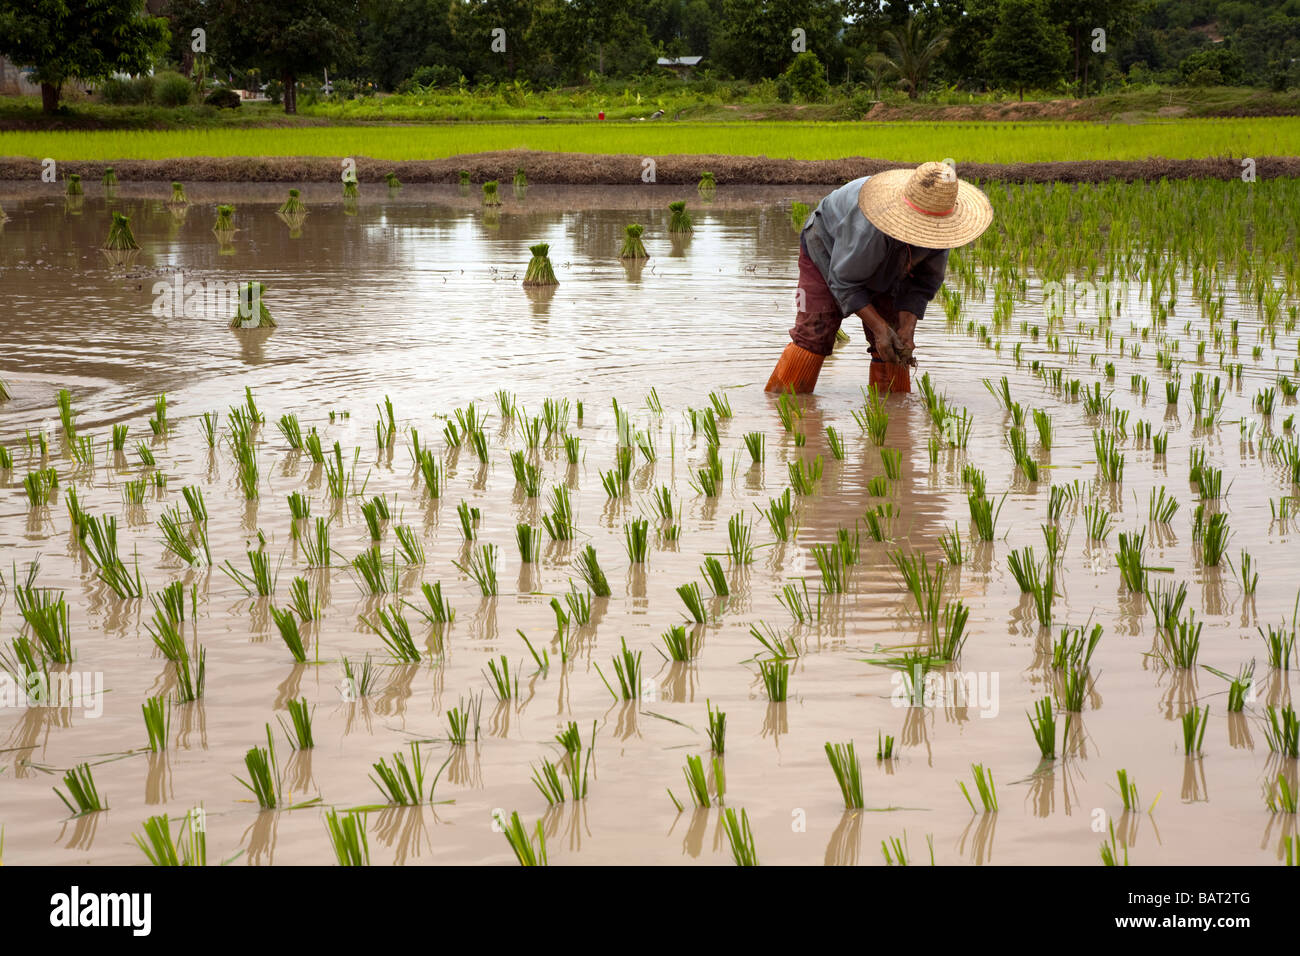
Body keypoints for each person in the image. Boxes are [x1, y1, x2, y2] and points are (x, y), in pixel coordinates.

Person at [765, 161, 994, 394]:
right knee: (814, 335)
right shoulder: (871, 224)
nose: (929, 233)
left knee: (894, 345)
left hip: (892, 261)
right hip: (828, 247)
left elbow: (923, 283)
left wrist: (906, 329)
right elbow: (843, 280)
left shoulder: (941, 228)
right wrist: (879, 328)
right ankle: (783, 410)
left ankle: (894, 419)